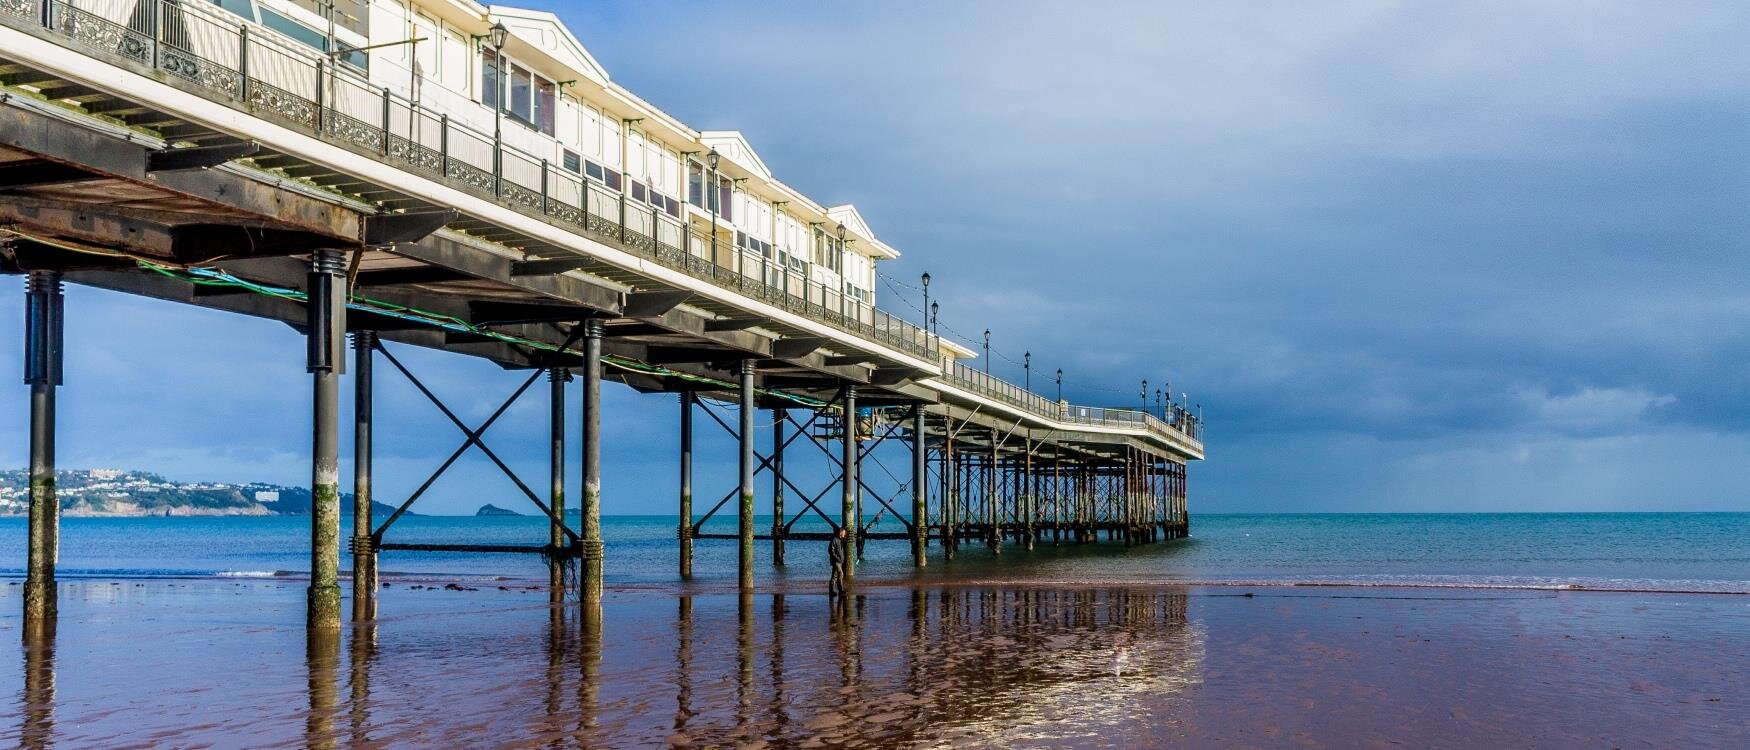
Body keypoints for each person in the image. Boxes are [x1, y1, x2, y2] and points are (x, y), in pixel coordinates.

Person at [828, 527, 846, 599]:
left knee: (834, 576)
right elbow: (831, 551)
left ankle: (832, 591)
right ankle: (840, 590)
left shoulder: (840, 540)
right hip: (836, 561)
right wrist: (837, 558)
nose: (845, 534)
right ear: (840, 533)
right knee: (840, 573)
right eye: (844, 533)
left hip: (839, 561)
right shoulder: (834, 540)